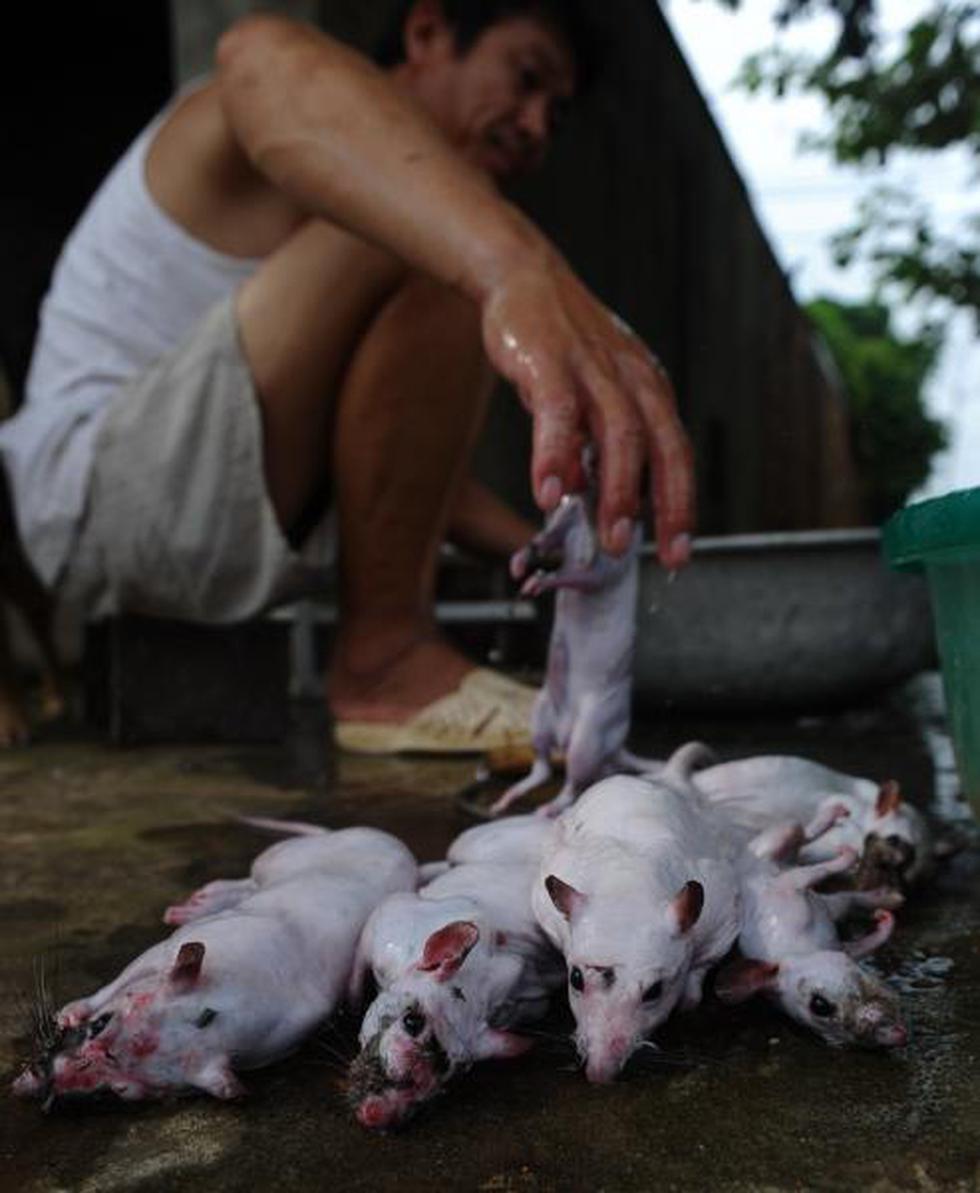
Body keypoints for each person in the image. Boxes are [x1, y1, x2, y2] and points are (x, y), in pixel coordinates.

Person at [0, 0, 694, 754]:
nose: (534, 126)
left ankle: (394, 660)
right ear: (428, 32)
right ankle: (384, 660)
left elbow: (388, 459)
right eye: (525, 79)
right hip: (92, 494)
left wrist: (564, 548)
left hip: (179, 496)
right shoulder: (250, 110)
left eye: (553, 114)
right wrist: (510, 267)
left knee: (449, 221)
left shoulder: (361, 257)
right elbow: (255, 50)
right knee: (442, 224)